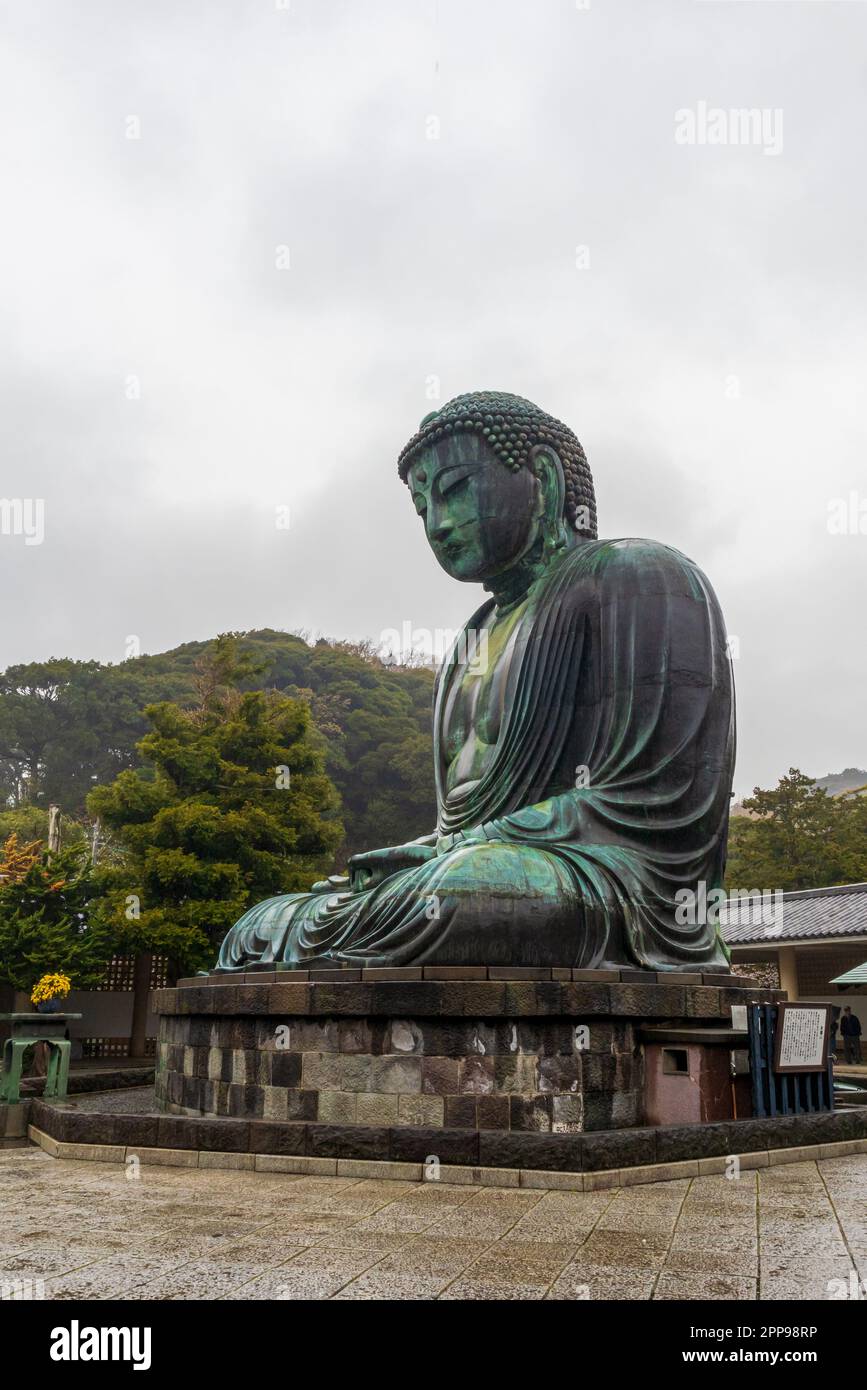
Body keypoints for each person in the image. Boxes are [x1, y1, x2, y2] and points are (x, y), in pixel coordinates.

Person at [217, 391, 735, 972]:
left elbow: (660, 802)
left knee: (466, 893)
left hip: (612, 884)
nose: (438, 525)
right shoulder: (472, 639)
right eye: (421, 510)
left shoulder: (638, 576)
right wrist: (434, 848)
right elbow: (457, 821)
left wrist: (455, 850)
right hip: (472, 864)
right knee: (261, 925)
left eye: (455, 489)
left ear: (541, 476)